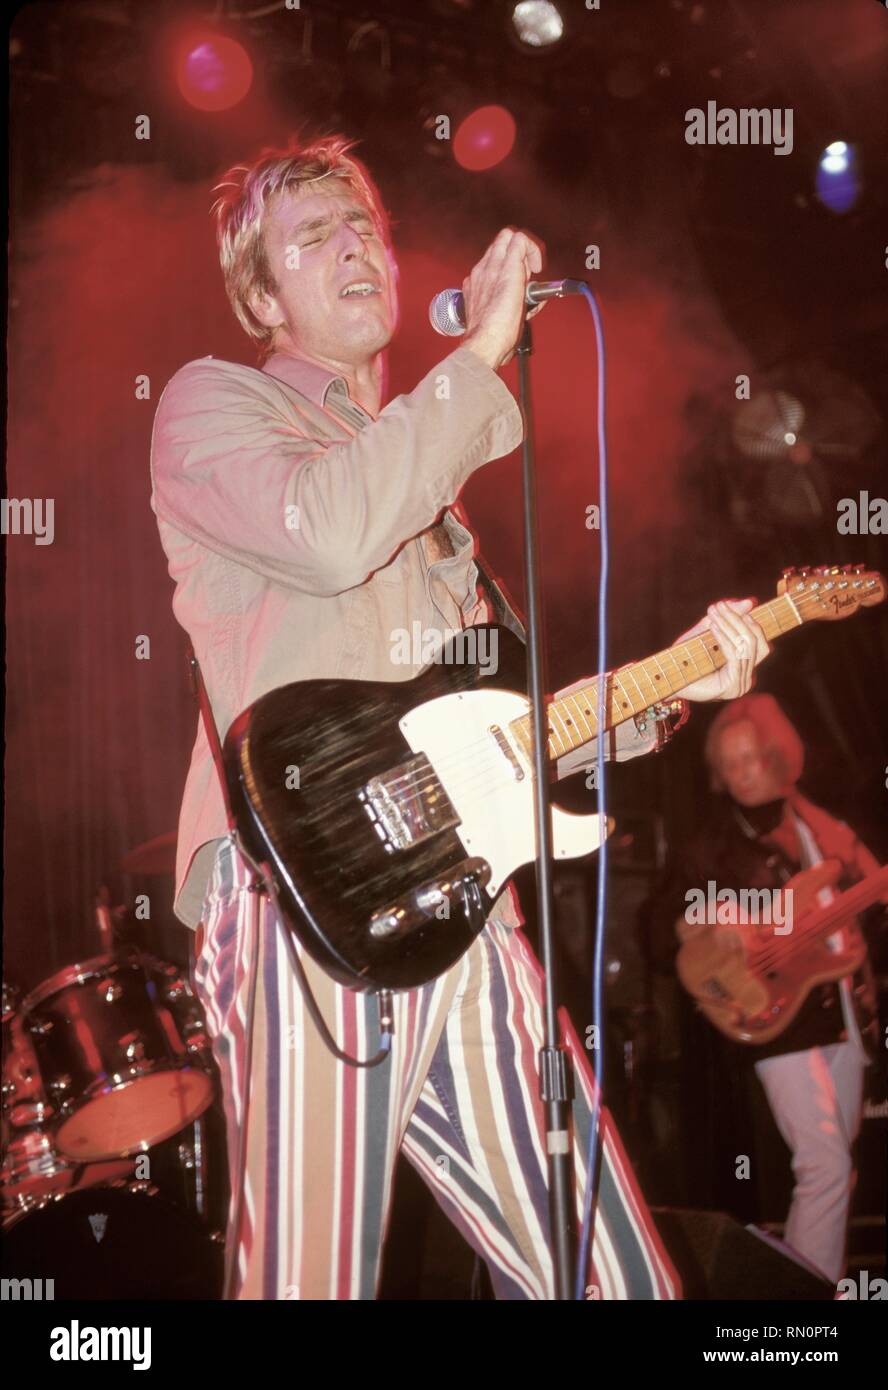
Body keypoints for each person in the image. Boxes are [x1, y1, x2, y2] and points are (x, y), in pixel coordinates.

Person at [150, 134, 769, 1300]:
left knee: (611, 1274)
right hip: (307, 894)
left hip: (460, 900)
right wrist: (482, 350)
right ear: (262, 297)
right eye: (313, 237)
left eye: (364, 228)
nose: (354, 247)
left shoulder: (435, 508)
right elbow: (330, 533)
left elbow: (507, 730)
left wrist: (677, 682)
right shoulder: (215, 405)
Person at [647, 692, 882, 1285]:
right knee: (825, 1164)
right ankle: (805, 1304)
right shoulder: (709, 849)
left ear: (779, 756)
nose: (742, 772)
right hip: (774, 1015)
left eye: (751, 757)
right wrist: (701, 918)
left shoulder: (824, 830)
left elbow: (869, 906)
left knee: (834, 1168)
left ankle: (802, 1286)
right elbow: (656, 930)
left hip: (842, 1011)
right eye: (729, 763)